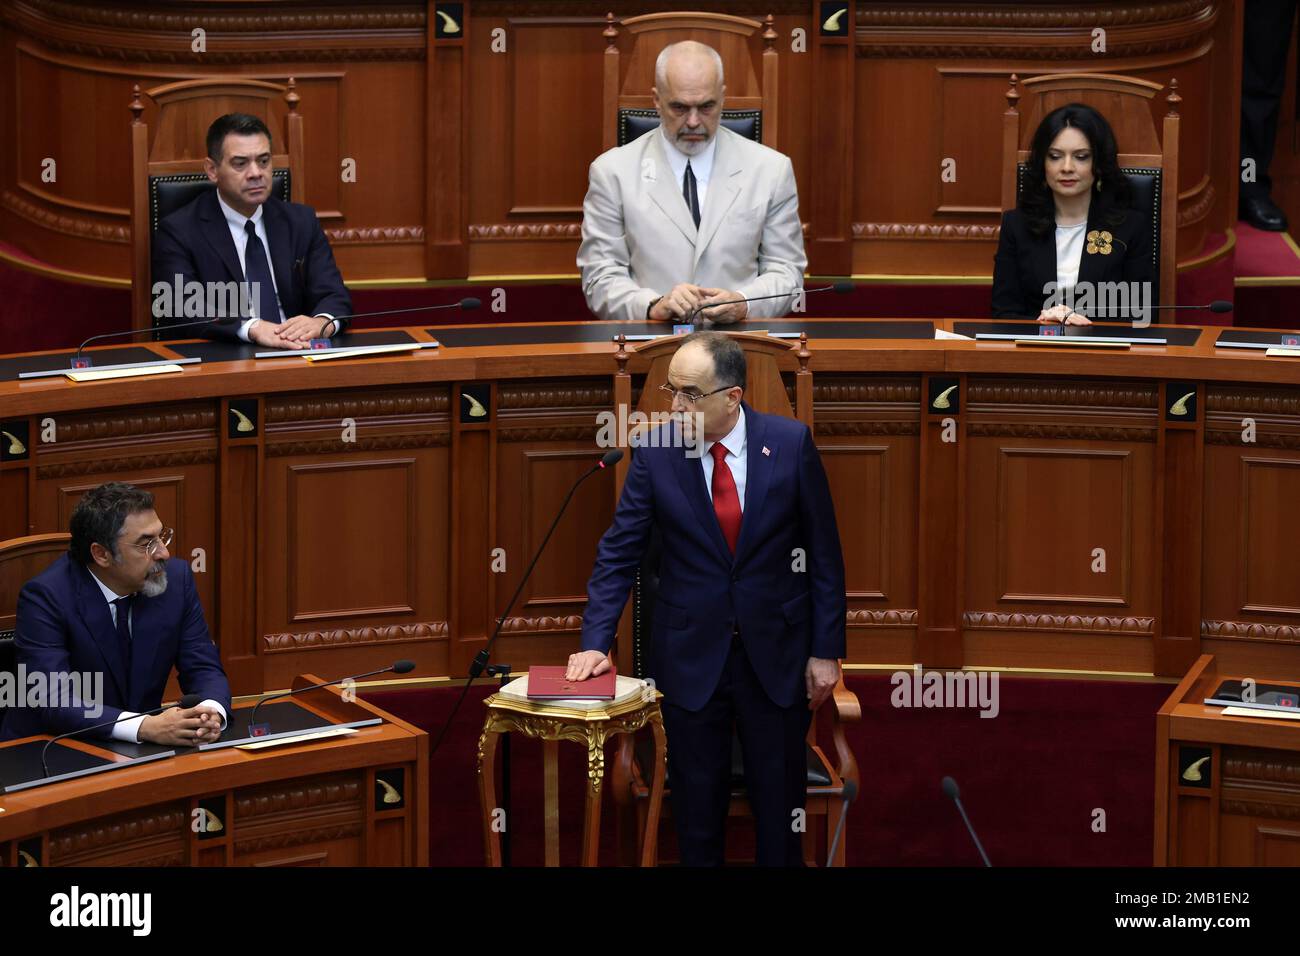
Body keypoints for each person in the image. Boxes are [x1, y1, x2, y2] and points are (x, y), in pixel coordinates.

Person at [566, 332, 846, 866]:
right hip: (691, 660)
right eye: (673, 391)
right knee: (697, 820)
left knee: (780, 818)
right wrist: (596, 640)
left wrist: (826, 651)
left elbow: (825, 558)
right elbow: (618, 554)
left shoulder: (789, 444)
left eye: (689, 394)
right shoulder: (657, 454)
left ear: (732, 397)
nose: (675, 406)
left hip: (778, 658)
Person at [577, 41, 806, 324]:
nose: (694, 121)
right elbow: (600, 277)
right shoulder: (612, 172)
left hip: (740, 349)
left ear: (723, 99)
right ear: (657, 100)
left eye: (706, 106)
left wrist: (744, 302)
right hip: (650, 349)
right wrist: (651, 306)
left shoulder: (771, 170)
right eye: (680, 108)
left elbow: (787, 272)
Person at [0, 482, 231, 746]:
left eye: (161, 537)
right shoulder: (46, 597)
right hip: (50, 749)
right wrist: (143, 726)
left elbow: (202, 666)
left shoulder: (175, 581)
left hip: (142, 748)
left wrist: (210, 713)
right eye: (146, 544)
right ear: (101, 554)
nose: (164, 553)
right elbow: (55, 700)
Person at [152, 113, 352, 349]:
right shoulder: (179, 230)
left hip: (300, 352)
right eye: (240, 163)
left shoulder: (300, 221)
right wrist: (252, 328)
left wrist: (322, 322)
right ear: (212, 170)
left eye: (264, 161)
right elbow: (181, 306)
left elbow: (334, 294)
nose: (256, 173)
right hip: (227, 360)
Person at [992, 103, 1153, 324]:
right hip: (1033, 349)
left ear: (1098, 163)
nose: (1067, 167)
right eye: (1055, 156)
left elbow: (1140, 316)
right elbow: (1004, 314)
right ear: (1043, 164)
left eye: (1081, 156)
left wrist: (1079, 323)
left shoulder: (1130, 228)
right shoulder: (1016, 226)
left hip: (1105, 353)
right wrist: (1043, 323)